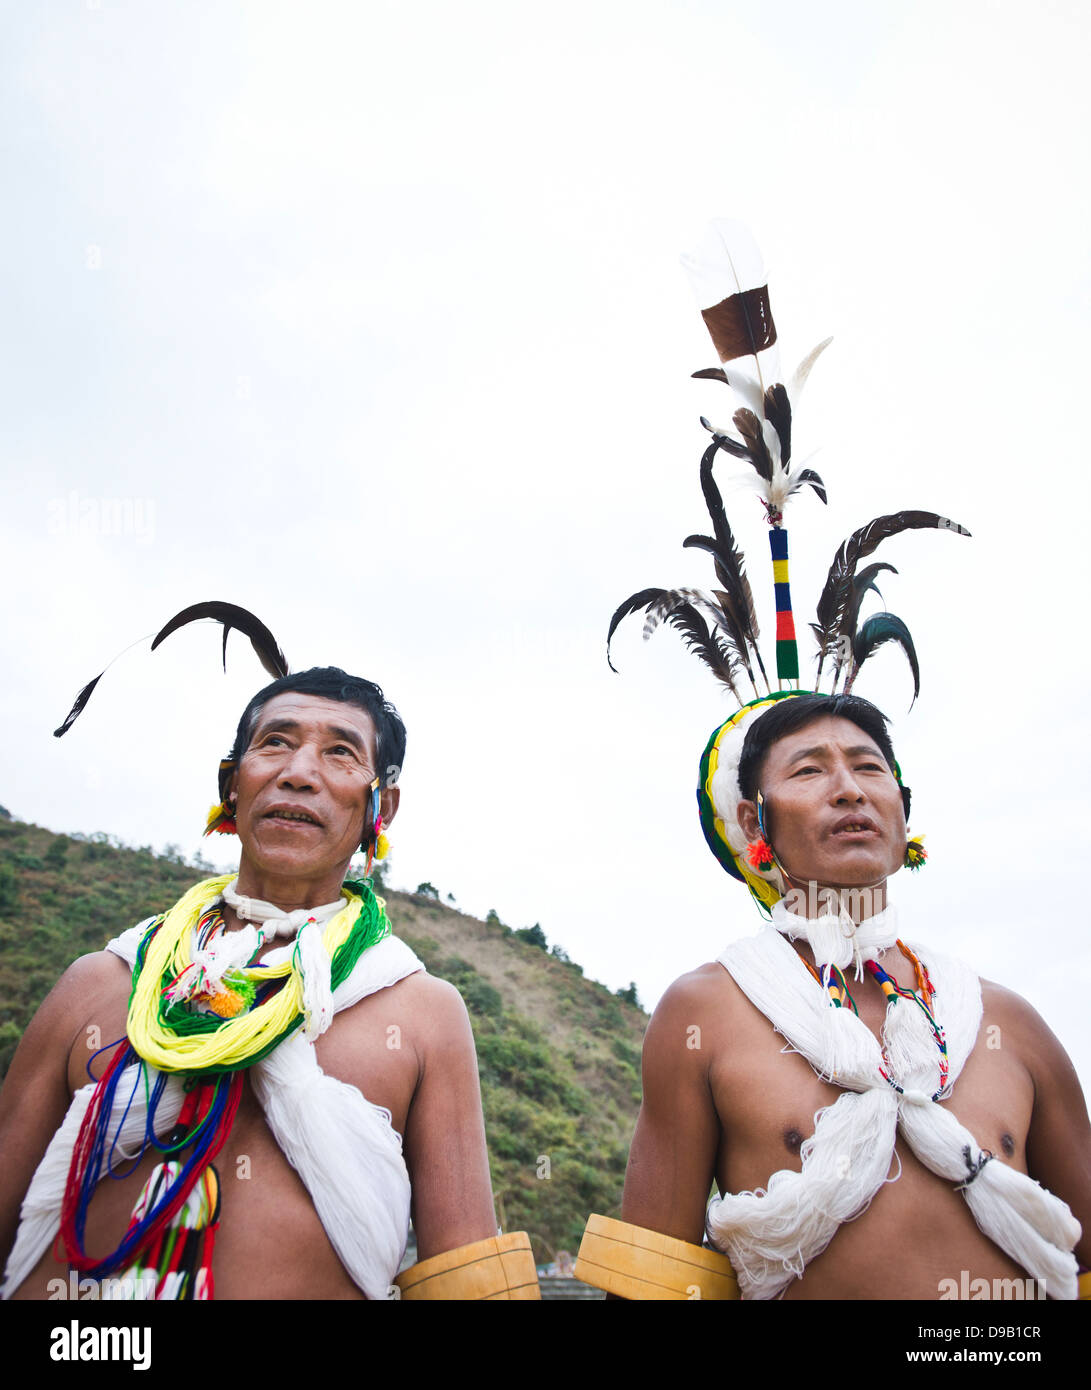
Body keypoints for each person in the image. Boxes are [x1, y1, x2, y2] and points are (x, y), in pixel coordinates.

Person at [575, 222, 1090, 1300]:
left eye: (867, 764)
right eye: (806, 769)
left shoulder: (1009, 1022)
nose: (848, 784)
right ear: (754, 829)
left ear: (907, 814)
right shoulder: (705, 1013)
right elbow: (657, 1280)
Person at [0, 647, 538, 1301]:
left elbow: (469, 1284)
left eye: (340, 753)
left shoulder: (420, 1016)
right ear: (232, 783)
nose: (298, 772)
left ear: (382, 807)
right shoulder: (101, 984)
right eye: (274, 743)